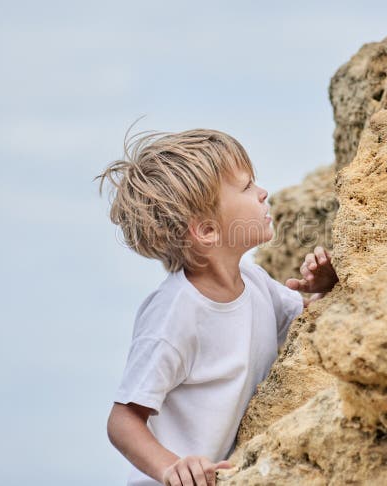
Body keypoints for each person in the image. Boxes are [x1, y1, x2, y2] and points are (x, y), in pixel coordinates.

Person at [96, 129, 339, 486]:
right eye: (246, 188)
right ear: (207, 230)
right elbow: (122, 420)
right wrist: (170, 467)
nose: (263, 192)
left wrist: (324, 288)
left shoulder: (256, 283)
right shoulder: (174, 313)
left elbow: (309, 330)